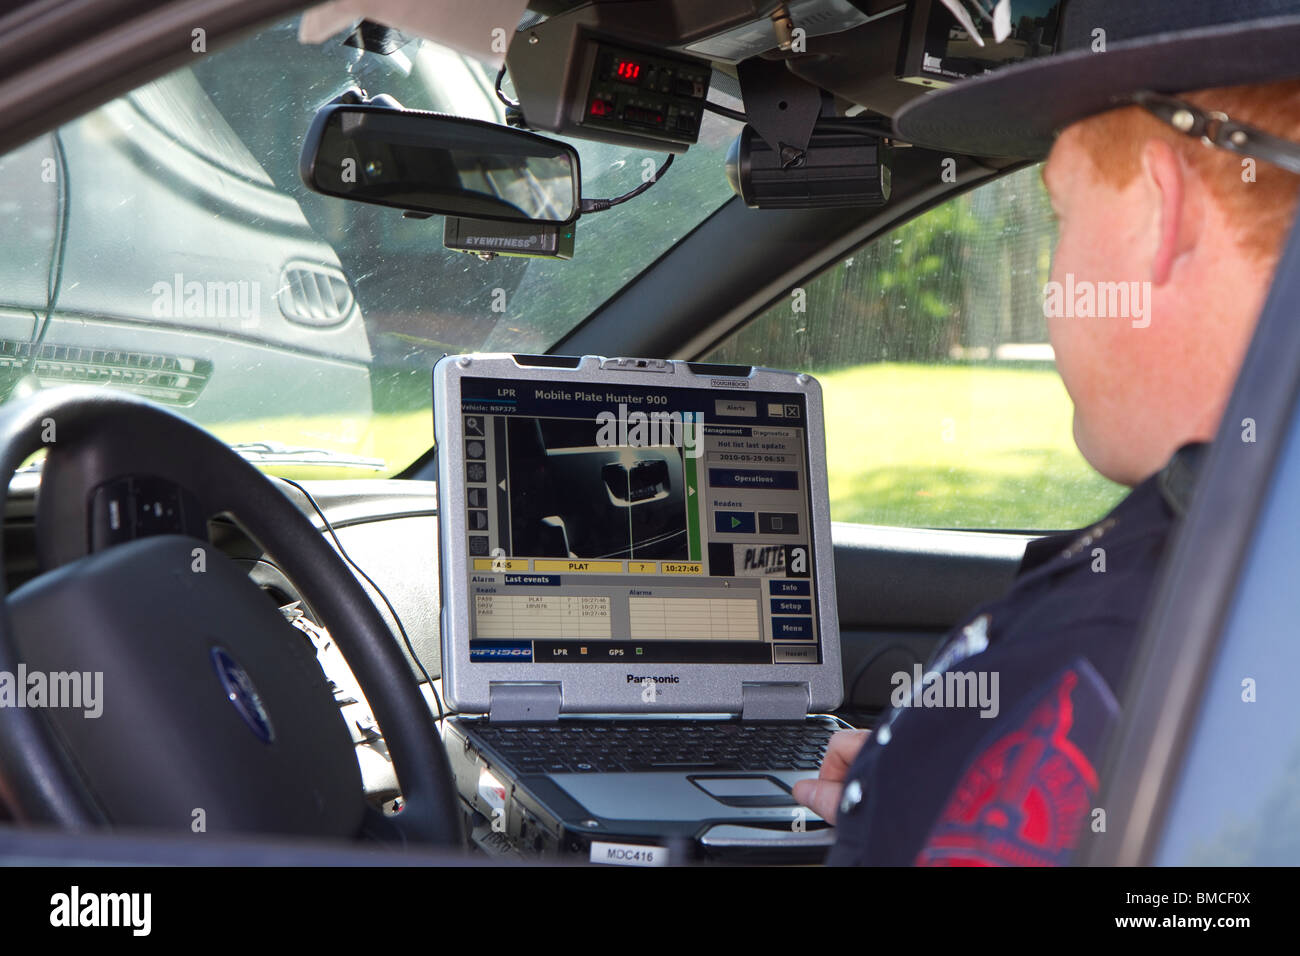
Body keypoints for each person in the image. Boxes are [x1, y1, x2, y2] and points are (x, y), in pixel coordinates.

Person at [793, 0, 1300, 865]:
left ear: (1158, 210)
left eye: (1062, 213)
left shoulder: (1119, 651)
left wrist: (904, 811)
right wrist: (917, 781)